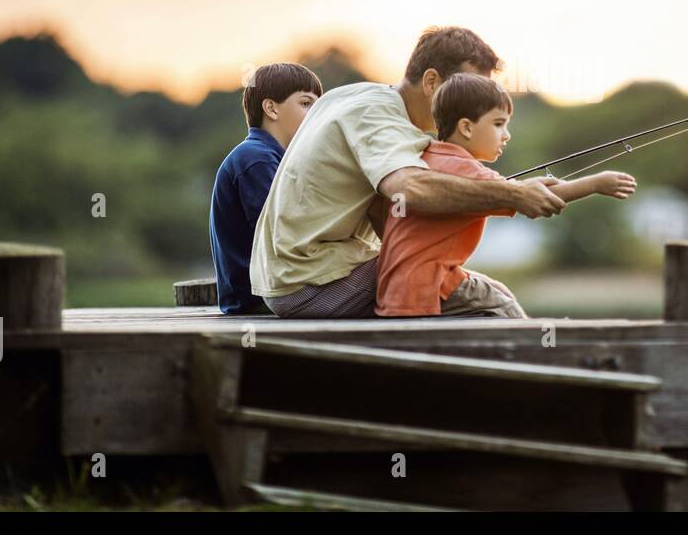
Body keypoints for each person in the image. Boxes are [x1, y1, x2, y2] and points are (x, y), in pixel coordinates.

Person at [251, 26, 567, 319]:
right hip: (311, 283)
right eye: (468, 87)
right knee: (494, 305)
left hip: (287, 276)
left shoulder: (349, 96)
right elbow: (409, 190)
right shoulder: (381, 119)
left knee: (476, 287)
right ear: (431, 81)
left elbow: (380, 210)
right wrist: (515, 194)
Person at [375, 73, 636, 318]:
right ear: (466, 127)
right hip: (428, 287)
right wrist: (596, 183)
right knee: (504, 308)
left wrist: (519, 187)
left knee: (497, 290)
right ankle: (531, 355)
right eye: (499, 124)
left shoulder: (425, 158)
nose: (506, 135)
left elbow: (509, 191)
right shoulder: (468, 171)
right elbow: (526, 197)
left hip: (395, 286)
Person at [208, 63, 322, 314]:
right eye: (306, 104)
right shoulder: (255, 158)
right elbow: (285, 235)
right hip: (260, 298)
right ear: (271, 108)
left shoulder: (275, 159)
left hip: (271, 292)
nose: (316, 114)